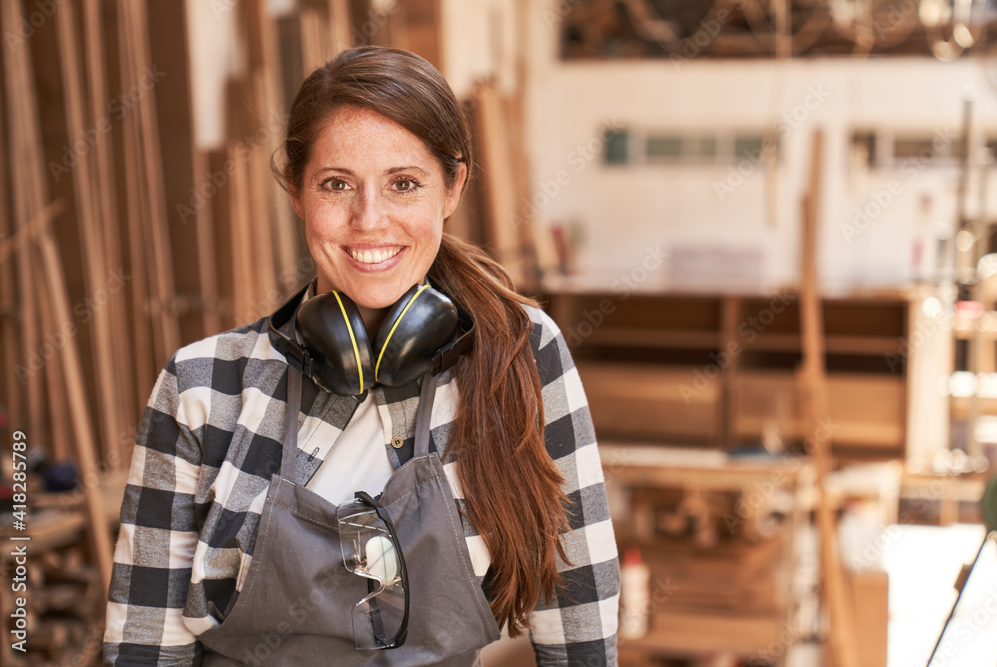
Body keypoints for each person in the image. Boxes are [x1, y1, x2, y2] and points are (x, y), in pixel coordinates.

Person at [104, 45, 620, 666]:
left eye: (404, 184)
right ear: (295, 192)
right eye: (336, 184)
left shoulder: (520, 355)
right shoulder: (202, 388)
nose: (369, 220)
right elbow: (143, 648)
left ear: (452, 188)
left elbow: (579, 619)